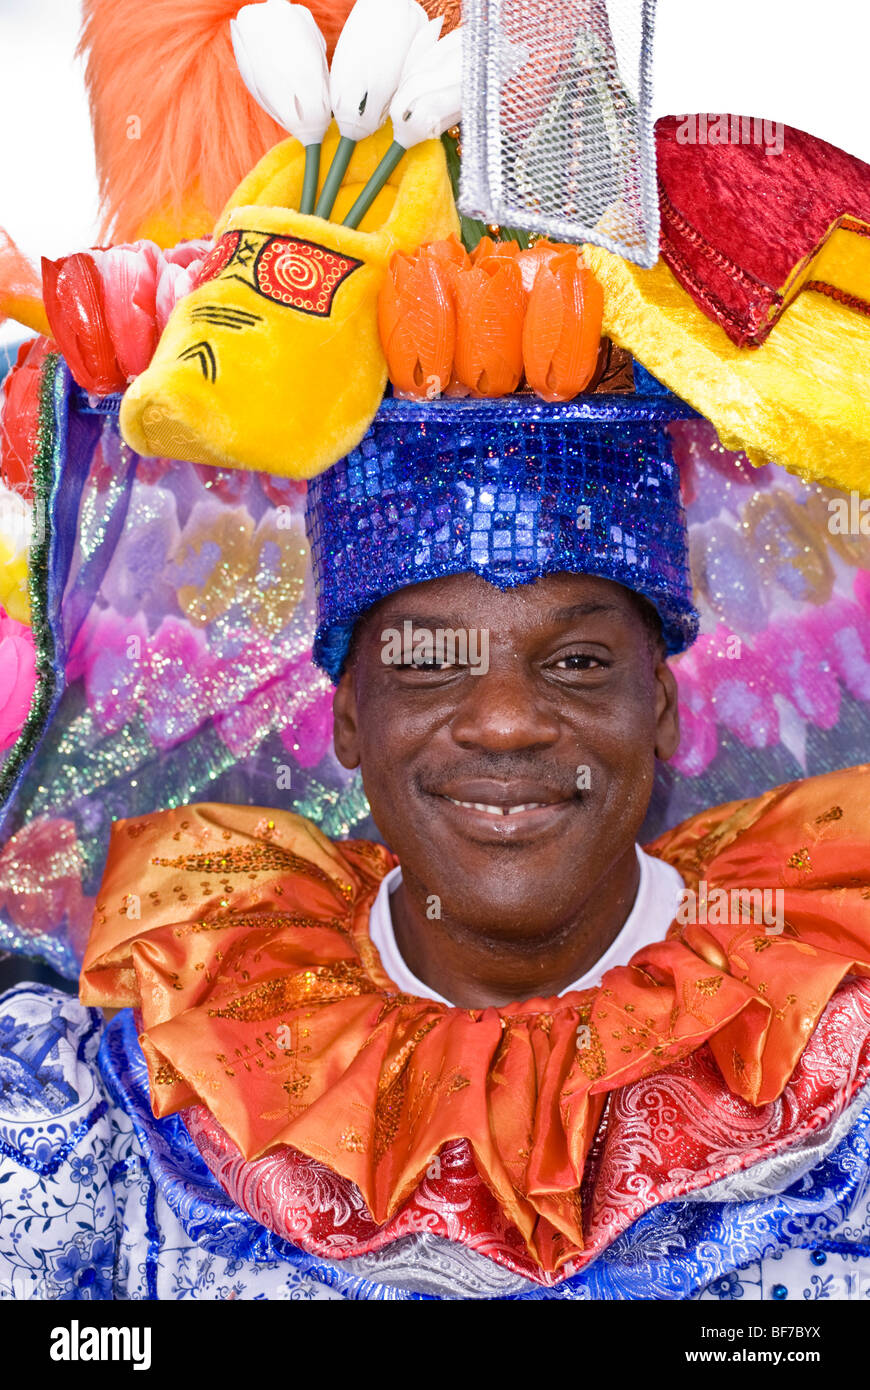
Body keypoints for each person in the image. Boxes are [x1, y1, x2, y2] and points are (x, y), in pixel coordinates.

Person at [3, 405, 869, 1301]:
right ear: (347, 715)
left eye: (575, 662)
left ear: (659, 705)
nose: (504, 722)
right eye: (428, 663)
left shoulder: (833, 1036)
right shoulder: (131, 1092)